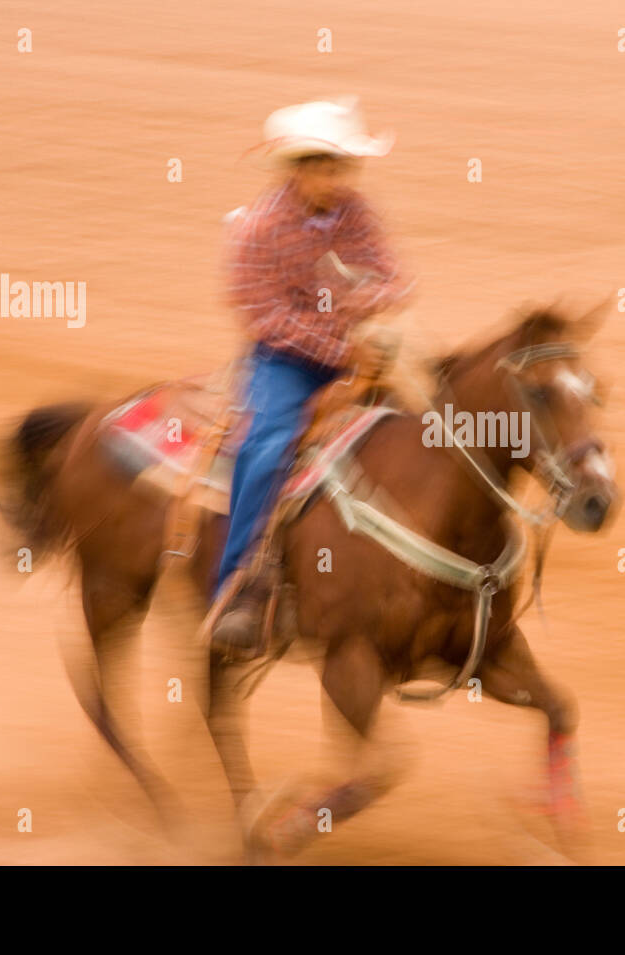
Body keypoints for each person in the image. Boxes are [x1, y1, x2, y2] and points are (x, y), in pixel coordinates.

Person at [210, 98, 412, 653]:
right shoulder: (259, 229)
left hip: (357, 351)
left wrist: (370, 300)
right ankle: (238, 587)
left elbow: (396, 278)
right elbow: (263, 316)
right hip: (285, 362)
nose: (338, 178)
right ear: (296, 169)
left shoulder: (356, 212)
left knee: (418, 425)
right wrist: (342, 345)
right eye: (326, 166)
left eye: (343, 166)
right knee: (267, 444)